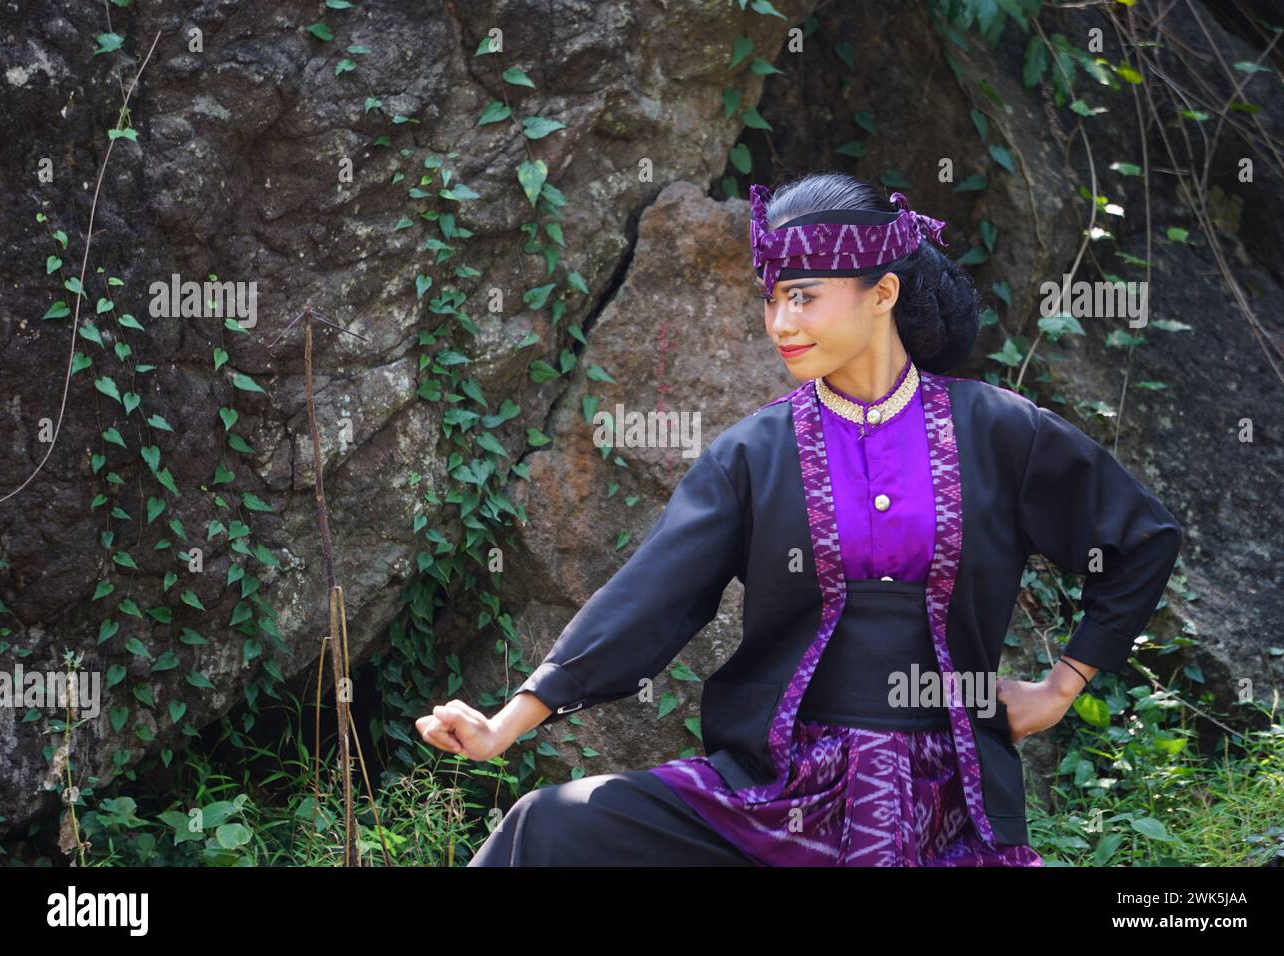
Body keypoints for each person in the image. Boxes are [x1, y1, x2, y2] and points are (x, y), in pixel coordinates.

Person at [415, 171, 1184, 866]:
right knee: (547, 829)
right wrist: (505, 724)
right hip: (774, 794)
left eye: (805, 295)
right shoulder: (755, 452)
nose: (780, 321)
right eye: (772, 297)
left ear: (883, 293)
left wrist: (1059, 687)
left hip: (950, 801)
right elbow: (651, 598)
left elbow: (1140, 540)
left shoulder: (998, 431)